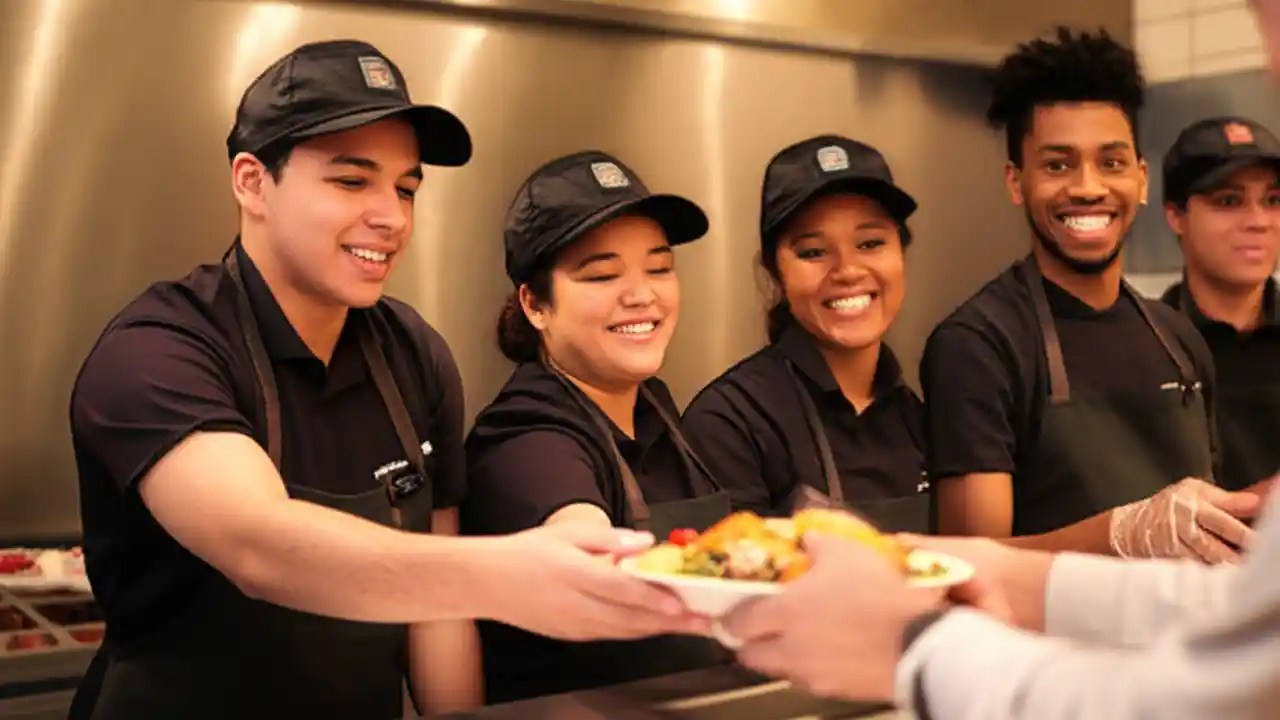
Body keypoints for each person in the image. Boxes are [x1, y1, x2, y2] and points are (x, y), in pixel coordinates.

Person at [68, 41, 704, 719]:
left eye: (405, 187)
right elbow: (258, 544)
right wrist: (513, 574)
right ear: (252, 182)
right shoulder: (160, 347)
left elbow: (439, 615)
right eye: (352, 181)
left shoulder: (413, 355)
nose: (392, 217)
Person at [918, 26, 1254, 560]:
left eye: (1112, 162)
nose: (1088, 187)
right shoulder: (978, 346)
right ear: (1015, 182)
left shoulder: (1177, 337)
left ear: (1142, 180)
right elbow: (972, 567)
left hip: (1179, 641)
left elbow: (1215, 525)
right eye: (1057, 164)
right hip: (1052, 642)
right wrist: (1123, 534)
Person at [459, 151, 732, 702]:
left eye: (659, 267)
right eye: (603, 274)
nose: (642, 294)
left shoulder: (653, 407)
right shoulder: (524, 437)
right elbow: (585, 548)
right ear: (535, 305)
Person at [683, 135, 930, 532]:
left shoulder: (920, 416)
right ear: (775, 272)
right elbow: (728, 579)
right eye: (814, 252)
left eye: (870, 243)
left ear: (902, 253)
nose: (848, 270)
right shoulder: (730, 421)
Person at [1159, 116, 1280, 492]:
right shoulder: (1148, 346)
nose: (1258, 221)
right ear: (1177, 217)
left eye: (1273, 200)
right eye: (1229, 201)